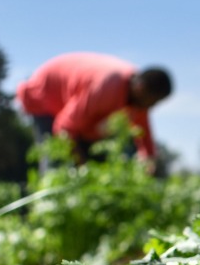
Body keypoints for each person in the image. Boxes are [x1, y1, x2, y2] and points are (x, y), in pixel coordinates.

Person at [16, 52, 173, 174]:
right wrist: (83, 168)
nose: (153, 106)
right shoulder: (108, 88)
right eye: (153, 101)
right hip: (46, 92)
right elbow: (64, 127)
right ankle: (47, 203)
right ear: (141, 88)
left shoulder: (138, 99)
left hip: (75, 108)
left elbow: (144, 135)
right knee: (56, 159)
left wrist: (149, 163)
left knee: (94, 156)